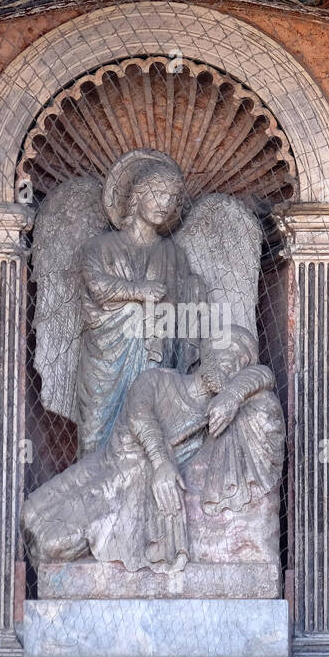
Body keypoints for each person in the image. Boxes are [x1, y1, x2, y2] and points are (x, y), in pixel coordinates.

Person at [23, 326, 281, 574]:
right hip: (108, 470)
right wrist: (161, 464)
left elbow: (265, 375)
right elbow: (140, 415)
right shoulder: (157, 380)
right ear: (207, 352)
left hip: (131, 490)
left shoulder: (218, 414)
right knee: (31, 514)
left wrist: (234, 394)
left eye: (242, 360)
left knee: (54, 543)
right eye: (229, 351)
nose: (233, 362)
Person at [74, 151, 201, 455]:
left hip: (155, 357)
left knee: (147, 432)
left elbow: (182, 309)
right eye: (158, 194)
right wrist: (140, 292)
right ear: (136, 195)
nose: (165, 203)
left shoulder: (174, 254)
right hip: (106, 355)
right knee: (95, 433)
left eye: (172, 197)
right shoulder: (99, 247)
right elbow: (99, 287)